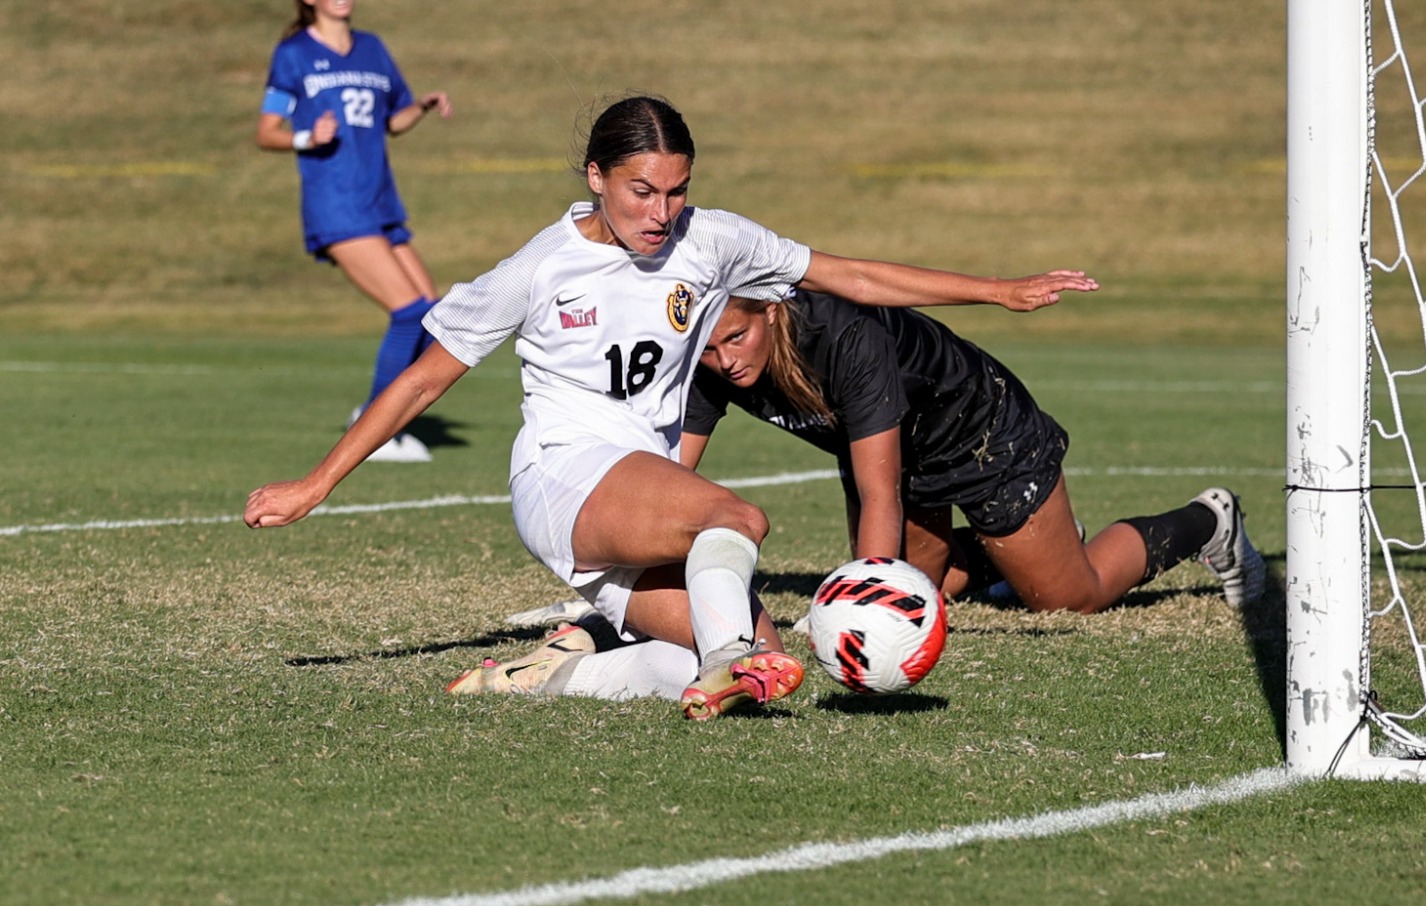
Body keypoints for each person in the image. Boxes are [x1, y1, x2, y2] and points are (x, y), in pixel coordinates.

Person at [244, 95, 1096, 719]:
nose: (662, 212)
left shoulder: (714, 241)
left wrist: (996, 289)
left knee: (763, 657)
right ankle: (724, 656)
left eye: (676, 190)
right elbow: (424, 379)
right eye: (641, 191)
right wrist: (316, 484)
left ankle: (553, 677)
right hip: (566, 477)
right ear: (596, 178)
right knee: (734, 518)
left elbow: (853, 277)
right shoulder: (539, 267)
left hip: (638, 492)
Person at [682, 292, 1266, 615]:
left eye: (738, 337)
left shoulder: (843, 338)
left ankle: (1210, 522)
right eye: (708, 349)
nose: (727, 360)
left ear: (773, 311)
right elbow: (671, 476)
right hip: (896, 449)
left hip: (980, 427)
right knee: (920, 599)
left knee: (1068, 598)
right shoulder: (708, 365)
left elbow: (880, 494)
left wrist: (856, 609)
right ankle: (1008, 554)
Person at [256, 0, 452, 463]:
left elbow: (393, 119)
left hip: (380, 202)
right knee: (408, 312)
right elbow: (266, 131)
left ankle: (377, 418)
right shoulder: (293, 54)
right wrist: (306, 137)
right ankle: (375, 430)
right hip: (336, 204)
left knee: (435, 317)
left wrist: (420, 107)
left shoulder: (372, 48)